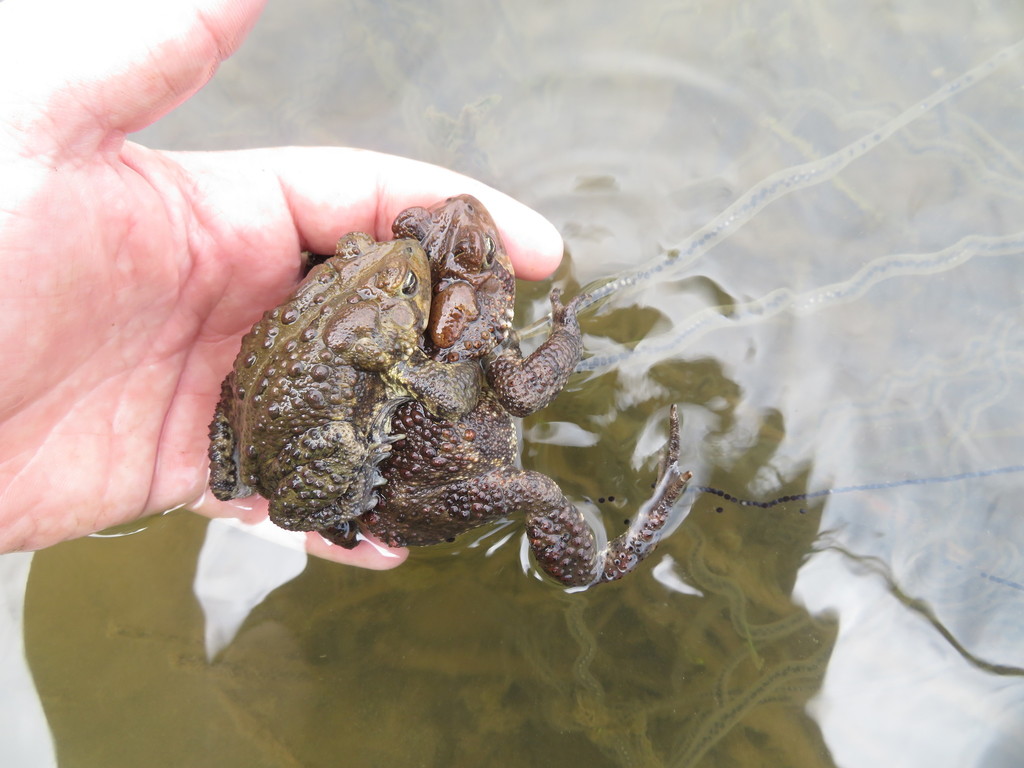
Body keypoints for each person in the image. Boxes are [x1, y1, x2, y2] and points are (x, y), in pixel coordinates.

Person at [0, 0, 563, 569]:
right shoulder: (389, 355)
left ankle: (266, 463)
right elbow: (454, 393)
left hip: (259, 430)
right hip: (311, 437)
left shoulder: (362, 320)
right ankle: (334, 503)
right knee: (341, 443)